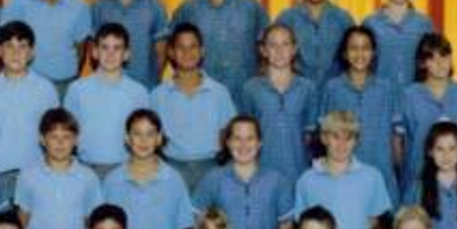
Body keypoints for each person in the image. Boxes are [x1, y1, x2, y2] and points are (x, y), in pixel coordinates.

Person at [294, 110, 392, 229]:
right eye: (335, 137)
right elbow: (302, 224)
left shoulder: (372, 176)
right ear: (324, 138)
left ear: (356, 141)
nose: (342, 144)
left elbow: (374, 219)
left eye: (349, 138)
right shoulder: (307, 179)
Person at [101, 109, 194, 229]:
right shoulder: (113, 180)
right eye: (137, 134)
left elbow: (184, 228)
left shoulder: (173, 179)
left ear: (159, 138)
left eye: (150, 134)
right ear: (127, 138)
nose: (143, 140)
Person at [15, 108, 104, 229]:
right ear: (42, 139)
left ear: (76, 140)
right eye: (54, 137)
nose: (60, 143)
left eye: (67, 137)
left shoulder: (88, 177)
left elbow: (92, 222)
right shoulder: (28, 175)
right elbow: (23, 218)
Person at [171, 0, 269, 104]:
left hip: (244, 100)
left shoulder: (252, 8)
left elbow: (269, 50)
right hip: (200, 100)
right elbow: (172, 50)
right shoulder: (187, 9)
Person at [0, 20, 60, 199]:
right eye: (9, 46)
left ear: (31, 52)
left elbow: (53, 135)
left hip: (35, 175)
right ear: (0, 51)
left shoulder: (46, 89)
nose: (16, 53)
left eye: (22, 46)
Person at [398, 32, 457, 195]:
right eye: (432, 58)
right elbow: (398, 143)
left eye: (444, 56)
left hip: (454, 181)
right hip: (416, 180)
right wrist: (409, 169)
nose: (440, 63)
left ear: (451, 58)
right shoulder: (408, 96)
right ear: (422, 63)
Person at [319, 25, 403, 202]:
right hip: (342, 175)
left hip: (381, 173)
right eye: (353, 48)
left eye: (365, 48)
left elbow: (395, 137)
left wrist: (397, 169)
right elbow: (323, 135)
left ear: (373, 53)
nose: (360, 54)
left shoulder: (386, 88)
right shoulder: (332, 88)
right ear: (344, 53)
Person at [0, 0, 91, 96]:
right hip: (25, 87)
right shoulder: (15, 3)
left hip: (66, 88)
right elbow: (6, 48)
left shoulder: (79, 6)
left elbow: (80, 52)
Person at [150, 23, 237, 189]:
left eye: (193, 47)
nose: (187, 53)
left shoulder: (219, 92)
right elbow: (153, 136)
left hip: (210, 167)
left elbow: (227, 133)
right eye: (181, 47)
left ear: (202, 51)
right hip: (172, 168)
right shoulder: (158, 95)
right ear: (171, 52)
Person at [63, 22, 150, 178]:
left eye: (117, 48)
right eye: (104, 47)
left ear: (126, 54)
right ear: (95, 52)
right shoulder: (77, 90)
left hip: (125, 169)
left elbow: (144, 136)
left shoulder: (139, 92)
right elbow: (68, 133)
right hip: (85, 168)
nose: (110, 54)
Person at [239, 23, 319, 182]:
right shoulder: (251, 88)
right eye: (273, 45)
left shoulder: (308, 88)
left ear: (294, 49)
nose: (279, 50)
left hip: (299, 172)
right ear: (263, 50)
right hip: (261, 174)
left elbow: (310, 135)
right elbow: (245, 135)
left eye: (285, 44)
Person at [274, 0, 355, 88]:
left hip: (335, 95)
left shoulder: (343, 19)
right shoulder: (287, 19)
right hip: (297, 95)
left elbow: (353, 62)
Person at [362, 0, 436, 86]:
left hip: (414, 96)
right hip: (380, 96)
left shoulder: (424, 24)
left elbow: (433, 65)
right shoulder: (370, 23)